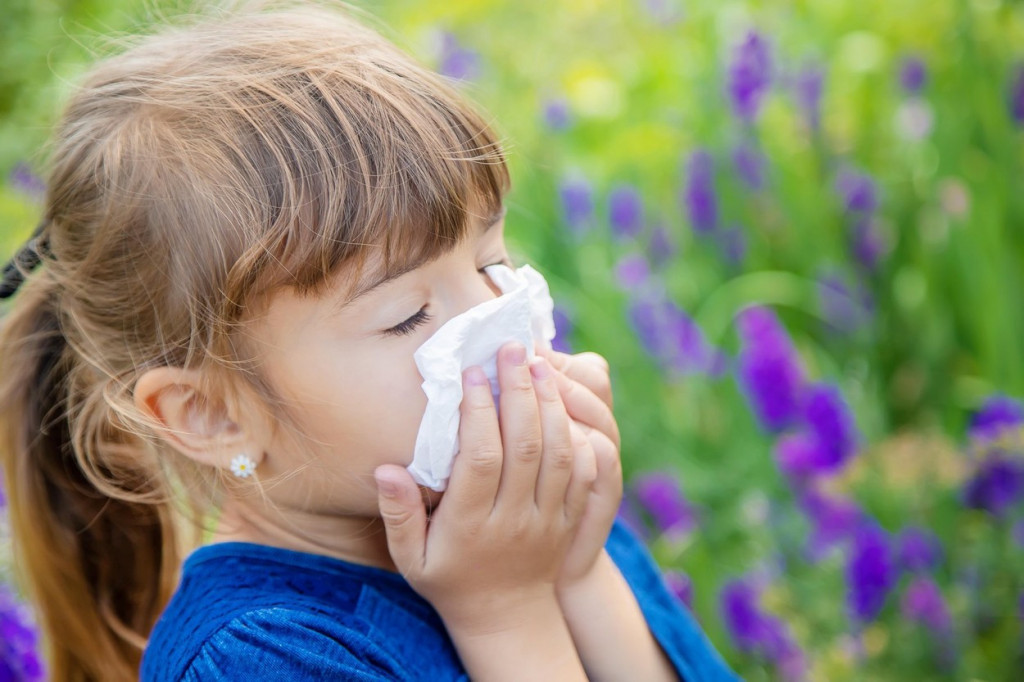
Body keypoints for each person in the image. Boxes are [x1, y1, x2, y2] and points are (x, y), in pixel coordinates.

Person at [0, 3, 738, 681]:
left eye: (492, 262)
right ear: (212, 414)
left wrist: (575, 568)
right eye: (407, 317)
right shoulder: (256, 657)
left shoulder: (525, 523)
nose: (493, 322)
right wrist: (504, 611)